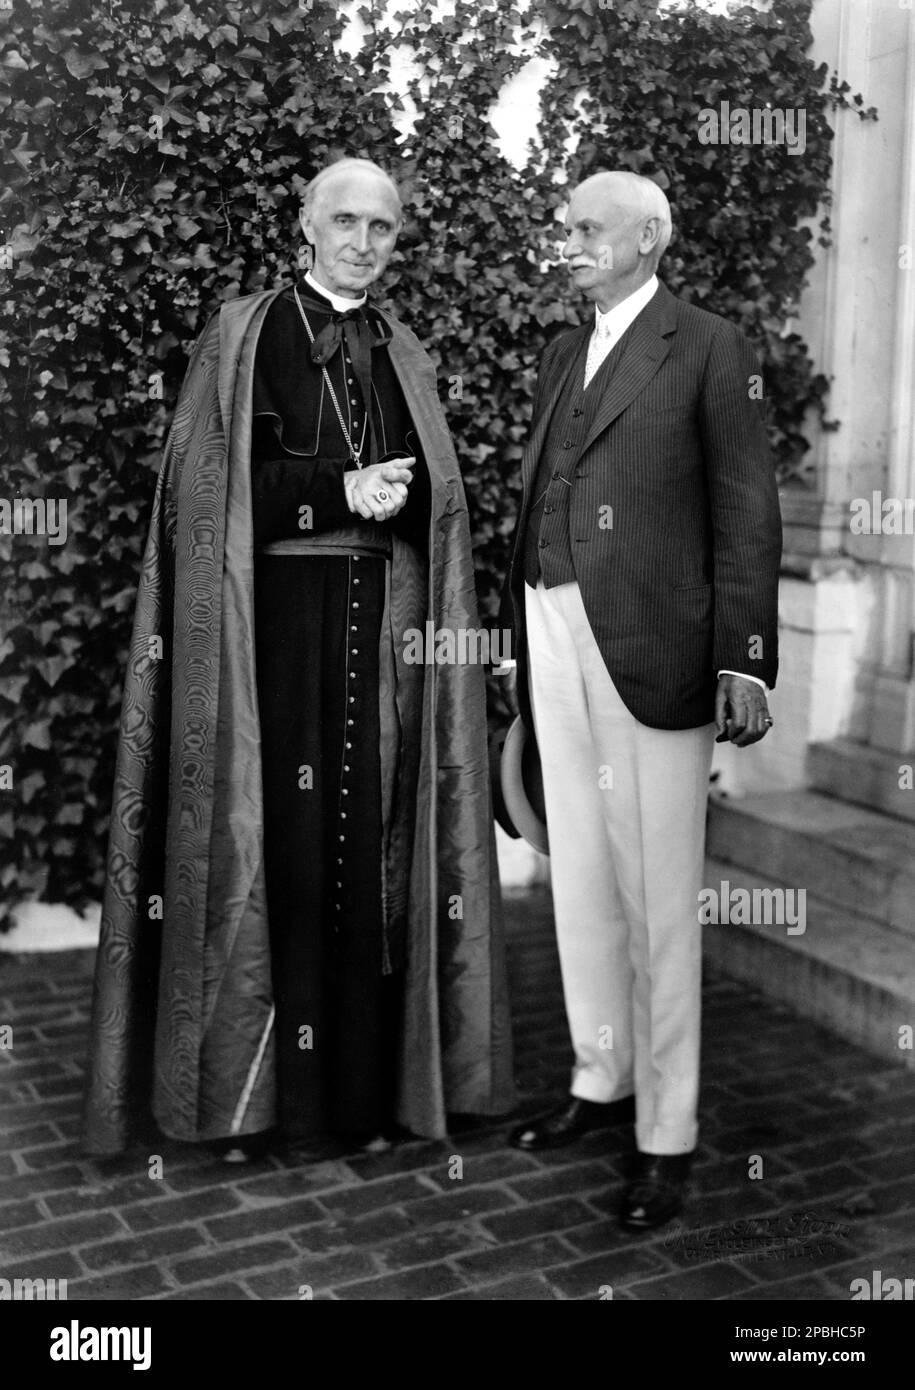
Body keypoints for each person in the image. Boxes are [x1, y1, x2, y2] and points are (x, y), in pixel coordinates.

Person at [83, 158, 514, 1159]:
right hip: (269, 640)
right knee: (279, 852)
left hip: (383, 637)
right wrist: (337, 490)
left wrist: (404, 497)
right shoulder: (242, 335)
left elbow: (436, 502)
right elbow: (208, 500)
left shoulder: (406, 349)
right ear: (306, 227)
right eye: (346, 221)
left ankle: (361, 1104)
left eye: (384, 227)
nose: (363, 241)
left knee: (372, 860)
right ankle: (267, 1107)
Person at [499, 170, 781, 1229]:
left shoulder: (708, 345)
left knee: (660, 899)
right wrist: (517, 630)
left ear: (649, 240)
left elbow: (746, 508)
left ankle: (667, 1135)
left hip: (656, 646)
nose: (566, 239)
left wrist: (746, 656)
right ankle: (598, 1079)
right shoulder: (562, 353)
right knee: (579, 874)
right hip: (552, 627)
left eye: (587, 227)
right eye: (565, 224)